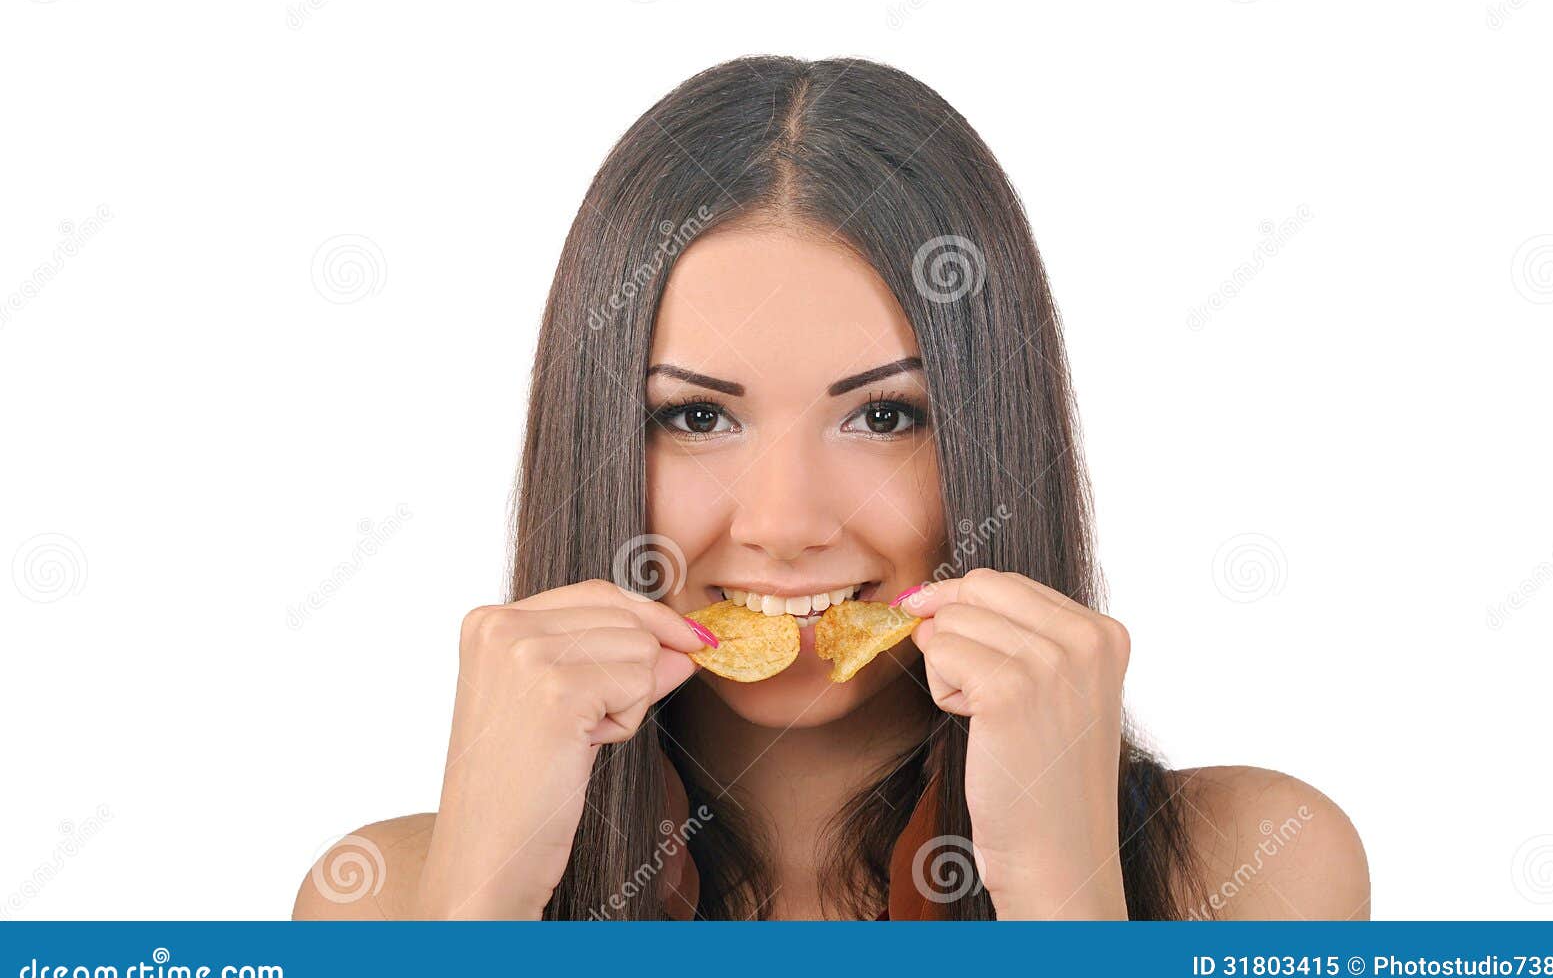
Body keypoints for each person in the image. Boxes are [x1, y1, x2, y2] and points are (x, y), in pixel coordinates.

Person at [293, 56, 1369, 921]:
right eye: (697, 418)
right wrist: (480, 909)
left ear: (992, 436)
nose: (785, 525)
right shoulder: (383, 903)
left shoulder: (1255, 871)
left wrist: (1061, 893)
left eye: (885, 417)